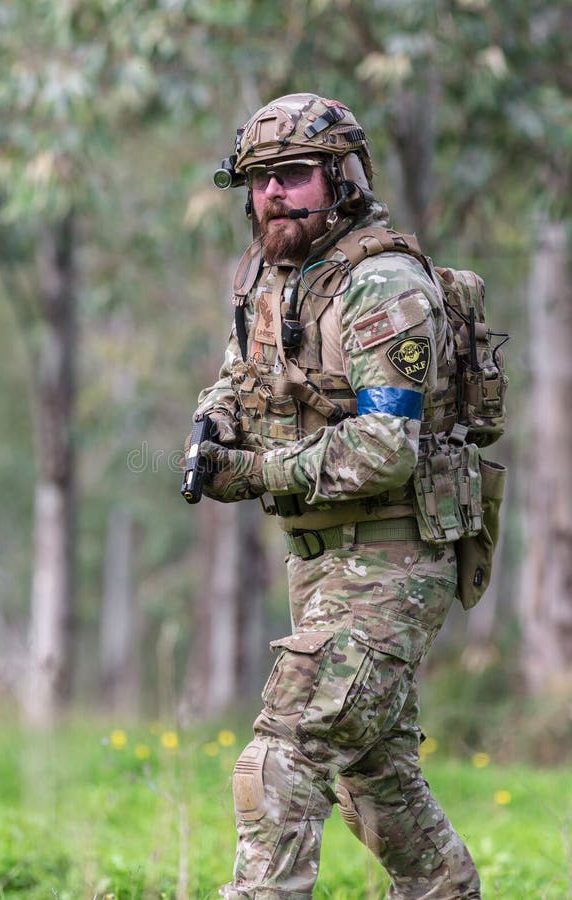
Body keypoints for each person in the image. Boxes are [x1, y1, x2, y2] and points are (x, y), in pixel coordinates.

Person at [186, 93, 484, 899]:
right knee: (375, 786)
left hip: (393, 558)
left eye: (293, 175)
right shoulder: (269, 279)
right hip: (317, 565)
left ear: (341, 179)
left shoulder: (384, 287)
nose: (274, 193)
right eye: (259, 180)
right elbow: (238, 376)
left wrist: (251, 475)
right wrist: (212, 427)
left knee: (279, 762)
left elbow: (384, 451)